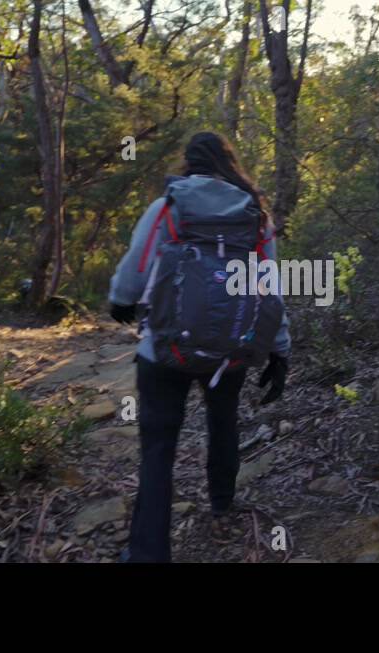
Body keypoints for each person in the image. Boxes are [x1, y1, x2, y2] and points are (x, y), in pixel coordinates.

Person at [108, 131, 291, 563]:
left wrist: (120, 300)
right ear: (229, 162)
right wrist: (279, 349)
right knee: (223, 421)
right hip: (230, 350)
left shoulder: (167, 208)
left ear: (189, 163)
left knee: (158, 449)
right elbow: (269, 286)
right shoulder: (254, 217)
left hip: (164, 351)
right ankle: (222, 502)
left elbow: (136, 268)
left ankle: (149, 553)